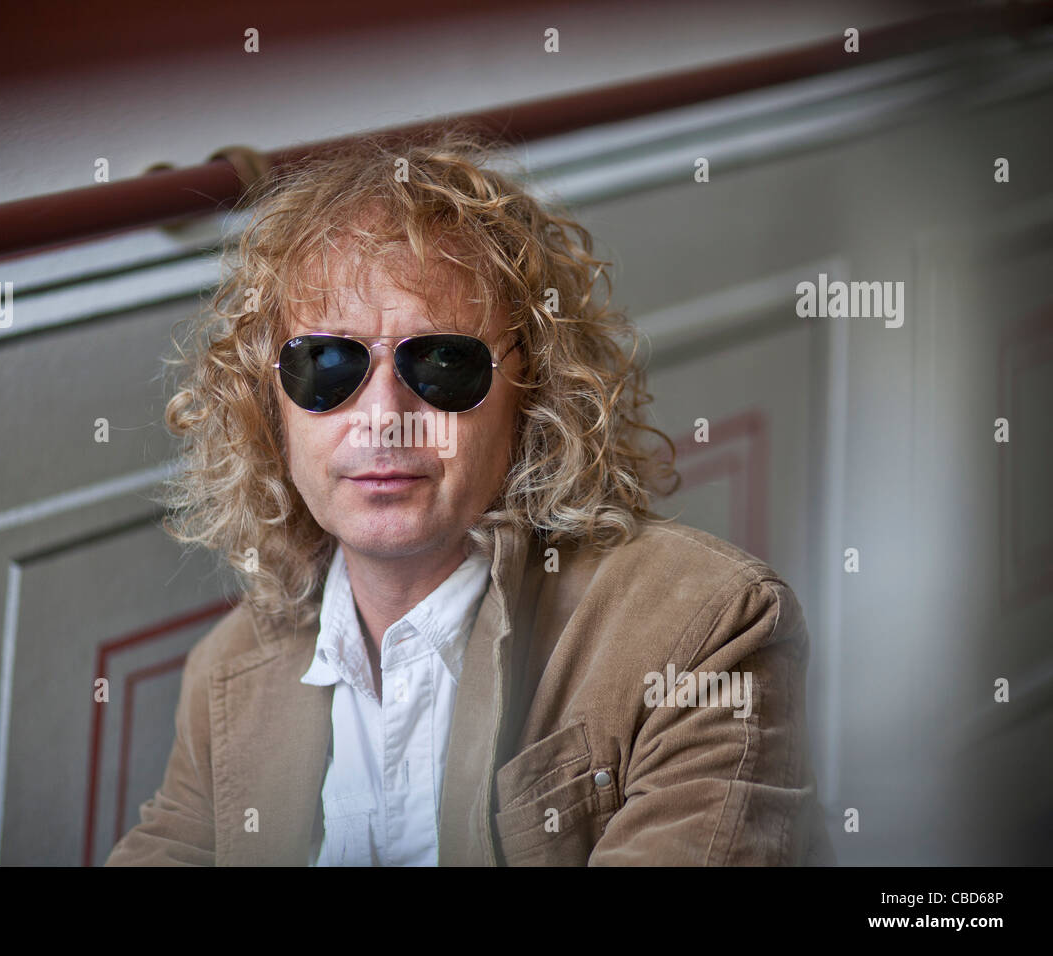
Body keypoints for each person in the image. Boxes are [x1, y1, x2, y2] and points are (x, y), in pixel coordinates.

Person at [106, 130, 833, 866]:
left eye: (443, 362)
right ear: (271, 408)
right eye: (326, 363)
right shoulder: (226, 674)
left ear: (534, 396)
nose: (384, 417)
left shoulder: (705, 631)